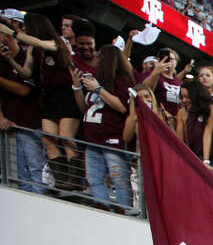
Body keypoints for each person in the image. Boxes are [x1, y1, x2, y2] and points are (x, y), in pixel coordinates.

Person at [1, 15, 81, 191]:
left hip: (65, 94)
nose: (26, 30)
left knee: (65, 137)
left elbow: (43, 44)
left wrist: (12, 33)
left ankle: (76, 179)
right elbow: (26, 73)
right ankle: (61, 179)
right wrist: (9, 60)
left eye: (28, 27)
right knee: (48, 138)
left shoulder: (57, 42)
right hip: (49, 96)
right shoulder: (32, 49)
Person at [71, 44, 135, 212]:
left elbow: (122, 107)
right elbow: (83, 108)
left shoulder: (121, 81)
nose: (95, 60)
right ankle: (103, 209)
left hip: (112, 140)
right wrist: (77, 86)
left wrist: (98, 89)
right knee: (94, 179)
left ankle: (125, 213)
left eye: (99, 57)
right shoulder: (94, 80)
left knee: (119, 180)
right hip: (92, 140)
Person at [0, 19, 44, 193]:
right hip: (8, 126)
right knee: (15, 174)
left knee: (36, 169)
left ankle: (40, 206)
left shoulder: (28, 56)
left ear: (8, 36)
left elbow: (25, 90)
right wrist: (1, 117)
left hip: (31, 124)